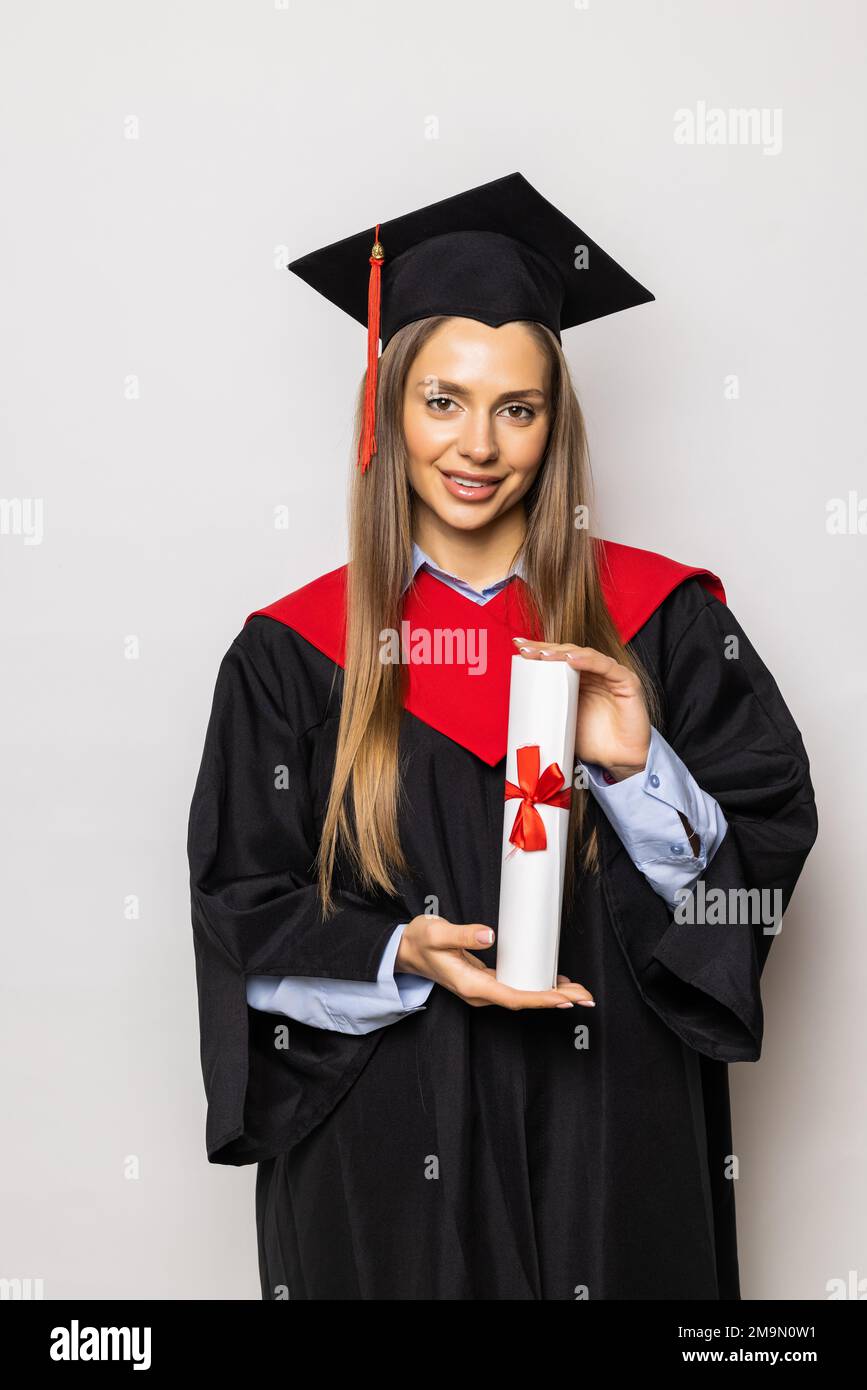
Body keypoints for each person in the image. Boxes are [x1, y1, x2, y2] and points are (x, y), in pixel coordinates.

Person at [186, 172, 818, 1300]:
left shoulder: (664, 626)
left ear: (554, 424)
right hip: (384, 1141)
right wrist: (397, 955)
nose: (478, 444)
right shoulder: (292, 652)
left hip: (611, 1132)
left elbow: (755, 884)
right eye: (443, 400)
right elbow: (241, 915)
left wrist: (638, 769)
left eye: (516, 408)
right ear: (388, 409)